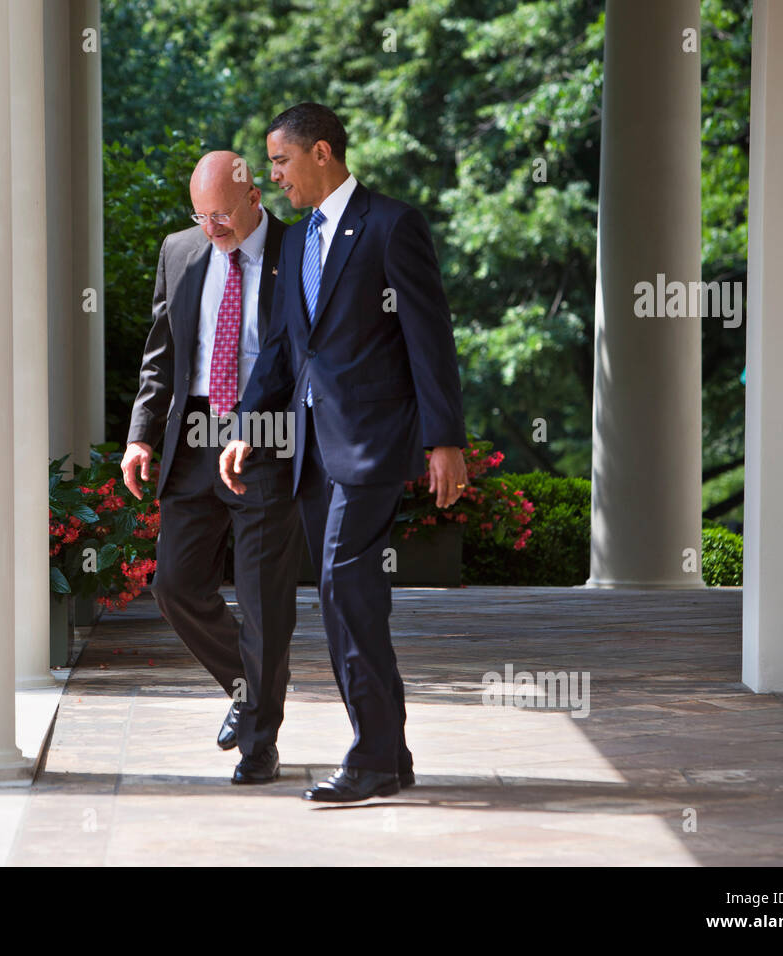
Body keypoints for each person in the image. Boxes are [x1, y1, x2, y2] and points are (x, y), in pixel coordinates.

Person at [221, 104, 468, 802]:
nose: (272, 176)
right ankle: (390, 752)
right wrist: (245, 425)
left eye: (279, 161)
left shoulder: (393, 225)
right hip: (311, 454)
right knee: (347, 595)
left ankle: (369, 757)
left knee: (341, 584)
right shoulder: (296, 243)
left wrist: (444, 439)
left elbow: (430, 339)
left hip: (372, 446)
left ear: (321, 152)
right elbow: (281, 350)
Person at [123, 151, 302, 785]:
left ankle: (259, 744)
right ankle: (247, 689)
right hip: (194, 435)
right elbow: (160, 355)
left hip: (265, 439)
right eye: (200, 215)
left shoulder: (299, 248)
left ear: (255, 195)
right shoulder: (180, 251)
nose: (211, 227)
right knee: (175, 583)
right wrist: (141, 437)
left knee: (262, 600)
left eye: (221, 214)